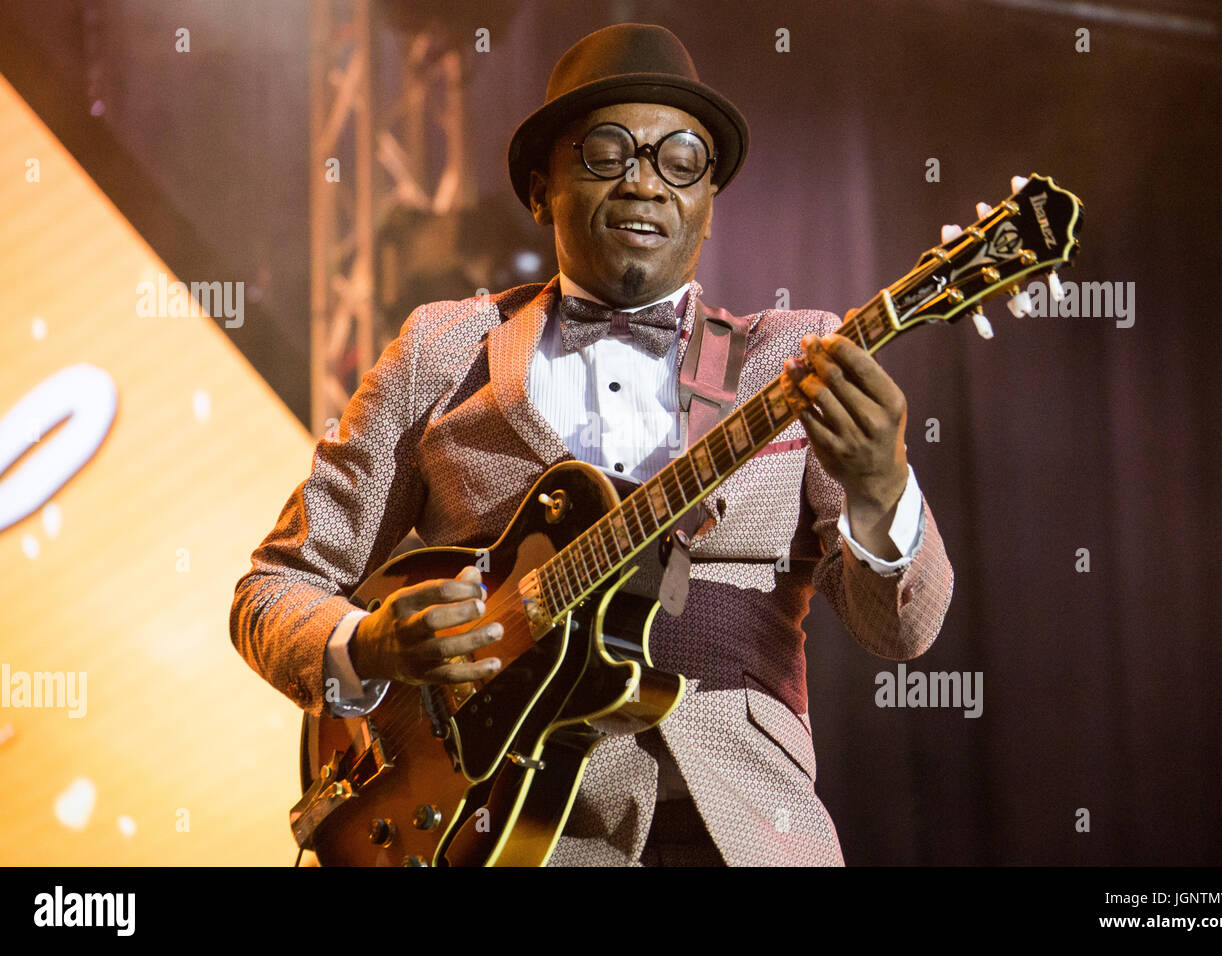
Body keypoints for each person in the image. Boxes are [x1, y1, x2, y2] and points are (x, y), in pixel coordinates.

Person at [230, 22, 953, 867]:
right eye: (607, 153)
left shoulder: (794, 358)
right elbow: (273, 589)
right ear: (541, 190)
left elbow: (902, 633)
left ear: (710, 205)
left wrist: (881, 489)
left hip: (749, 827)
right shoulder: (443, 350)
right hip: (503, 831)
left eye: (681, 160)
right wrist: (371, 645)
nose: (646, 183)